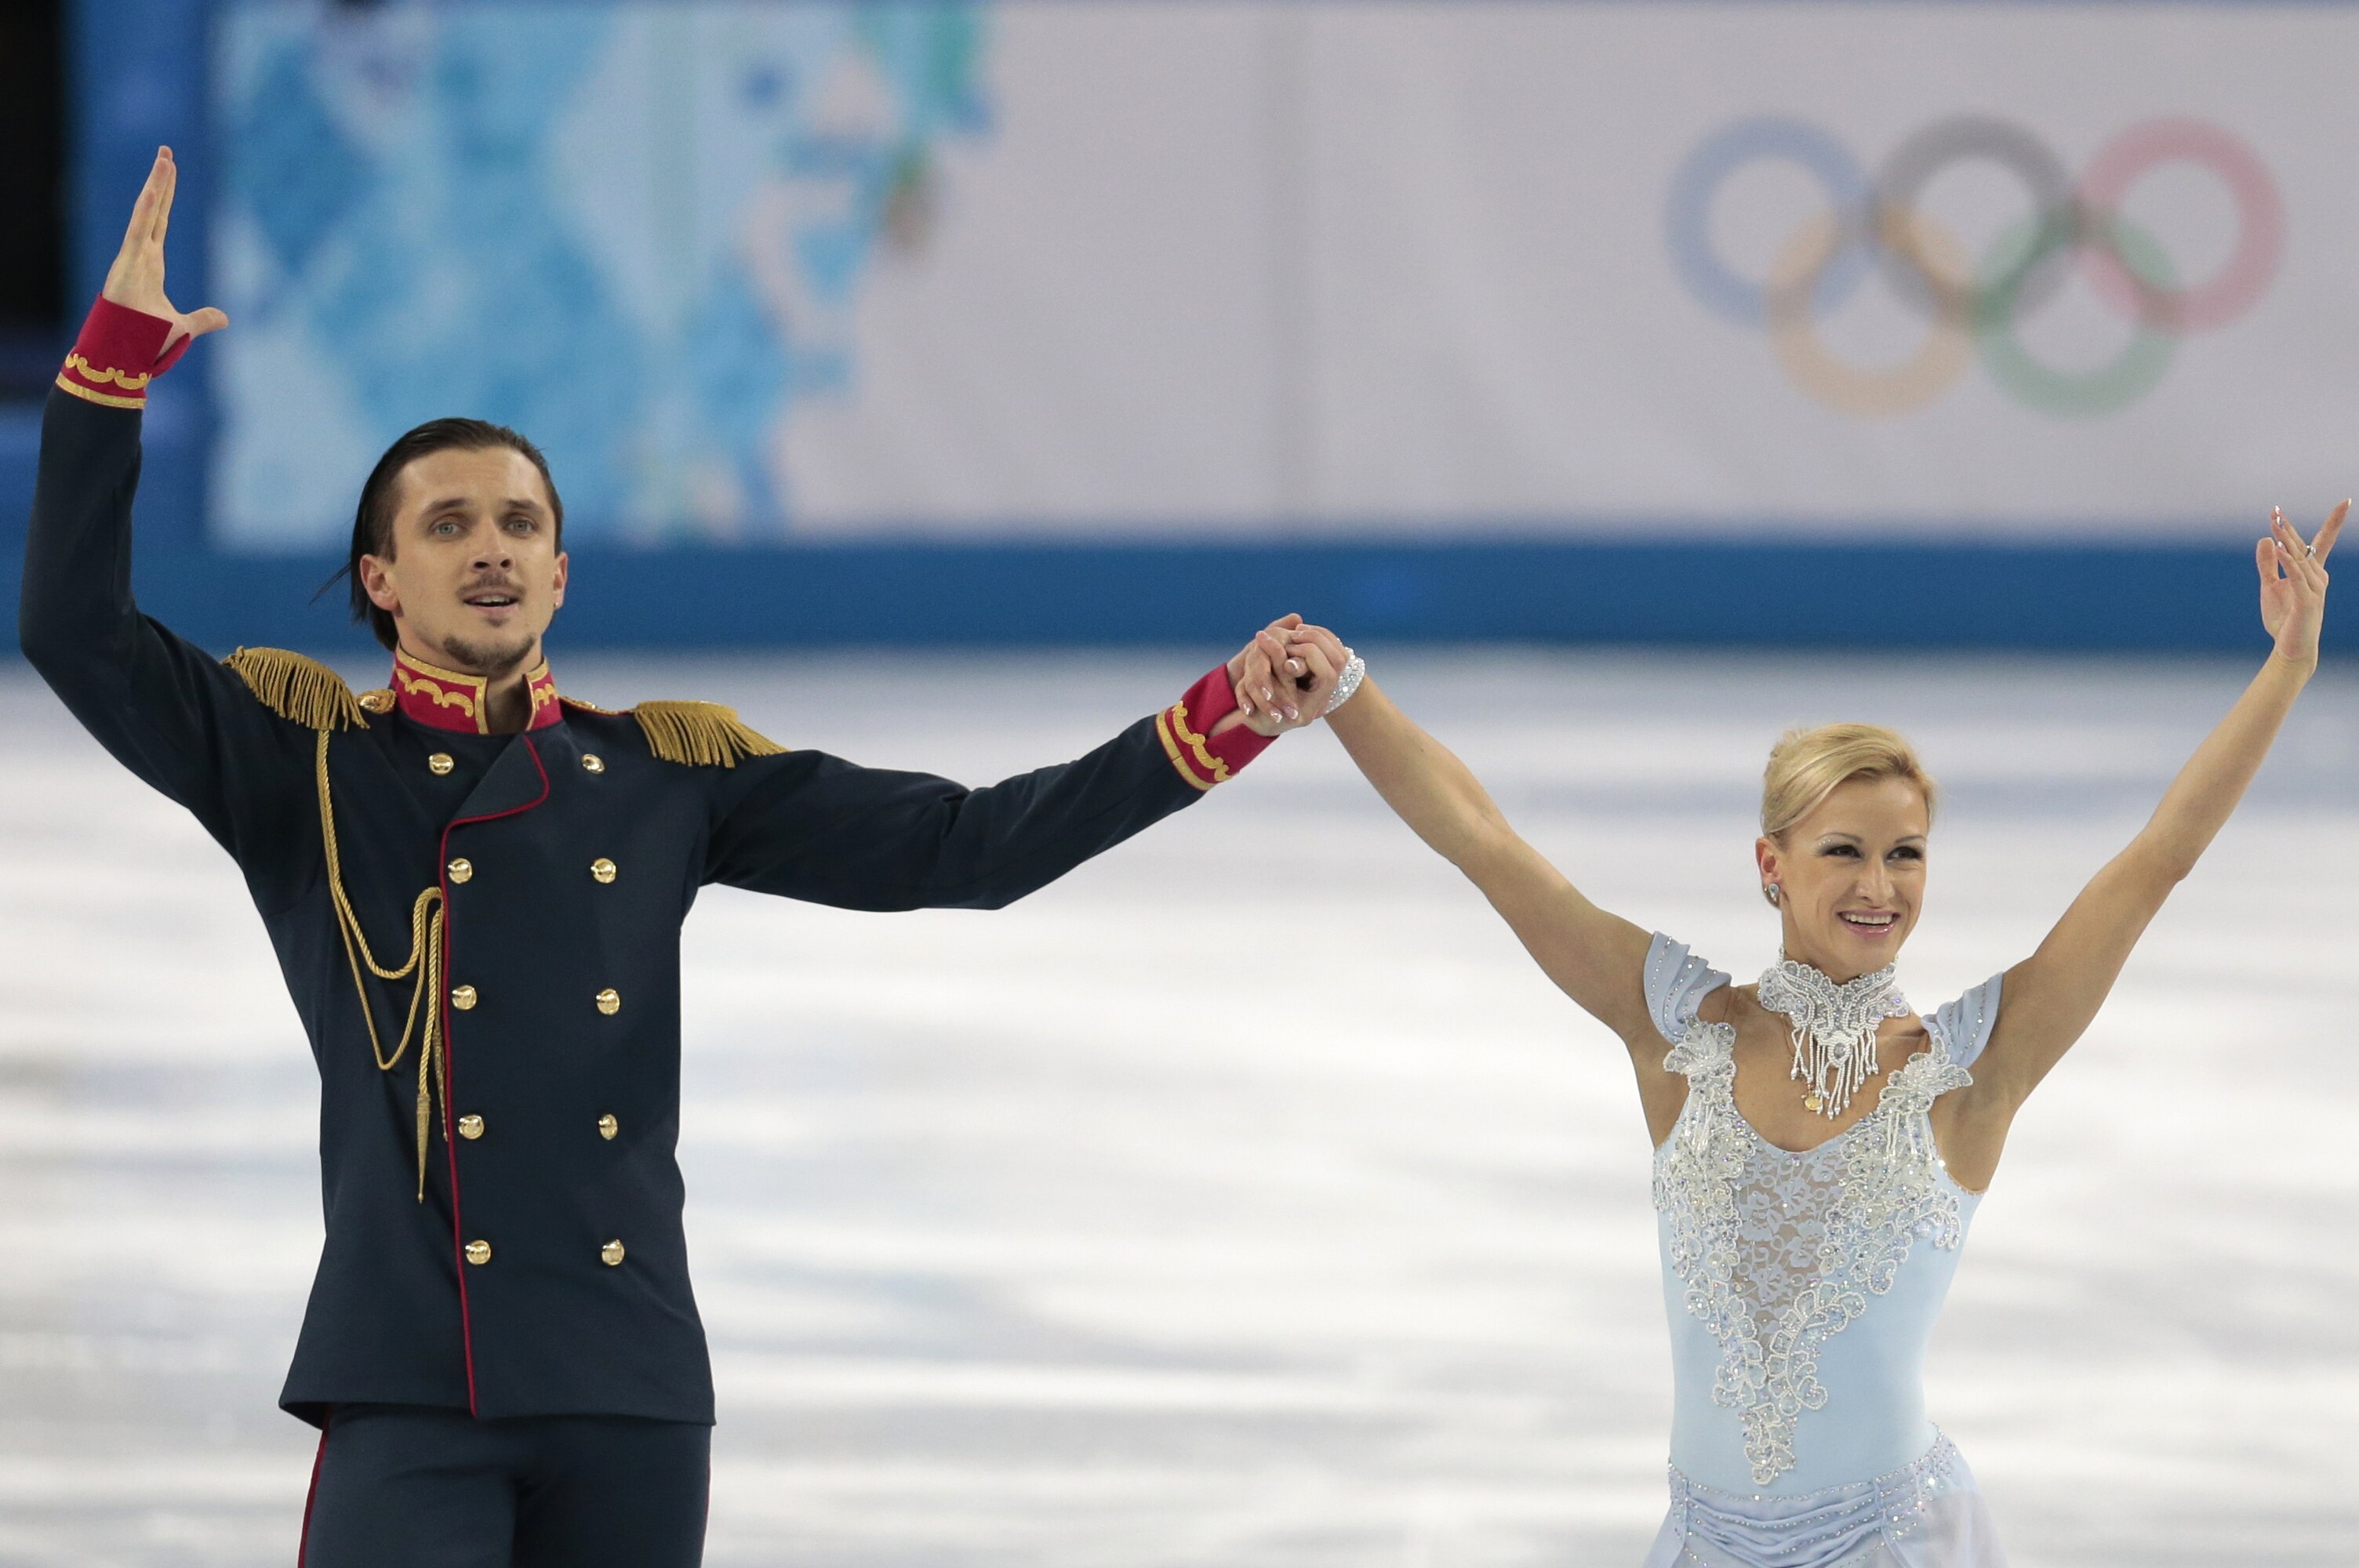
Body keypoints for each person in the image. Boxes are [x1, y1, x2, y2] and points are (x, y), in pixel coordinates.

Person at [21, 147, 1342, 1567]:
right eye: (448, 523)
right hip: (414, 1380)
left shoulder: (663, 771)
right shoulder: (306, 765)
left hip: (629, 1386)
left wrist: (1220, 720)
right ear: (378, 581)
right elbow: (75, 633)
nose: (492, 550)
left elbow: (967, 849)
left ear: (562, 574)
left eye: (522, 524)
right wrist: (110, 376)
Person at [1259, 502, 2343, 1563]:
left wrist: (2288, 667)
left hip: (1898, 1543)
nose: (1880, 887)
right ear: (1771, 865)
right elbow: (1488, 845)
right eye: (1844, 852)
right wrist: (1349, 693)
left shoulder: (1968, 1068)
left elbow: (2156, 860)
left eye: (1906, 854)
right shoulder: (1681, 1031)